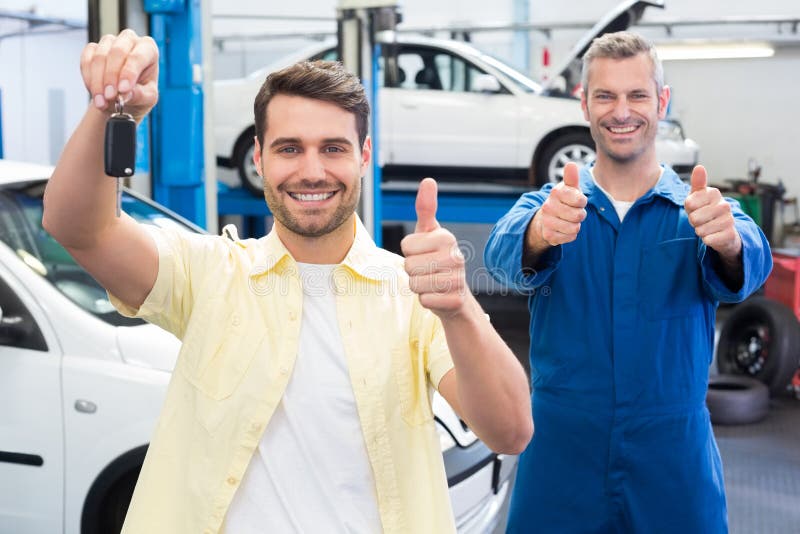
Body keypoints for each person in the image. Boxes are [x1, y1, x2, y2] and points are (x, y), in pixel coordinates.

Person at [43, 29, 533, 534]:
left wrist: (459, 309)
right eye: (290, 148)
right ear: (259, 158)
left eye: (334, 148)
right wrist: (111, 112)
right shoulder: (211, 273)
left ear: (364, 155)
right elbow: (78, 227)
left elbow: (511, 430)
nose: (313, 170)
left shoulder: (414, 295)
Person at [484, 31, 772, 533]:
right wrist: (538, 234)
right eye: (606, 96)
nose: (622, 111)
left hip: (672, 456)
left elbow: (750, 259)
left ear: (661, 101)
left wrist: (727, 243)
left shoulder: (699, 211)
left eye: (637, 95)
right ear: (585, 103)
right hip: (561, 451)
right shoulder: (550, 207)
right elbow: (500, 255)